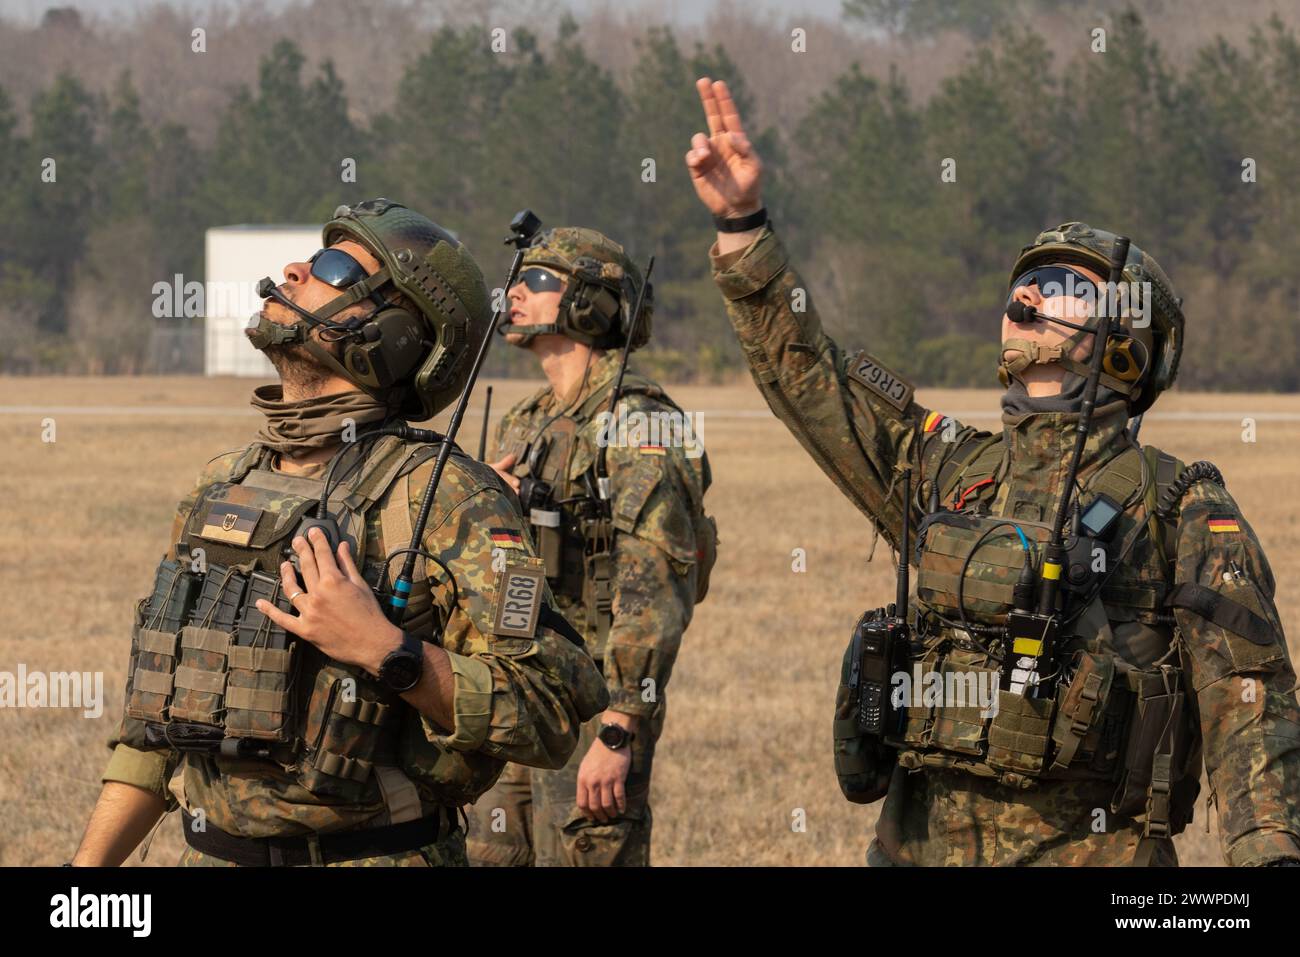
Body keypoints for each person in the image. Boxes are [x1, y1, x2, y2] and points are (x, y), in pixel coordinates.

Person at [685, 78, 1300, 866]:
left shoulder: (1179, 504)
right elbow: (809, 378)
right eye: (1025, 281)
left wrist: (1270, 852)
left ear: (1126, 341)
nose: (1029, 295)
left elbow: (1251, 703)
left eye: (1067, 287)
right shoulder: (947, 468)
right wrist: (742, 224)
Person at [71, 198, 607, 867]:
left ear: (395, 332)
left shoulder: (444, 497)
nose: (293, 270)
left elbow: (554, 704)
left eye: (331, 268)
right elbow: (154, 731)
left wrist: (390, 651)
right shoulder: (222, 486)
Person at [465, 226, 716, 866]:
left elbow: (656, 587)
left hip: (593, 701)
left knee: (586, 854)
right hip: (520, 688)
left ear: (591, 303)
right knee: (494, 854)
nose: (514, 291)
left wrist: (620, 723)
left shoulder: (640, 424)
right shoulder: (529, 419)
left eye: (538, 281)